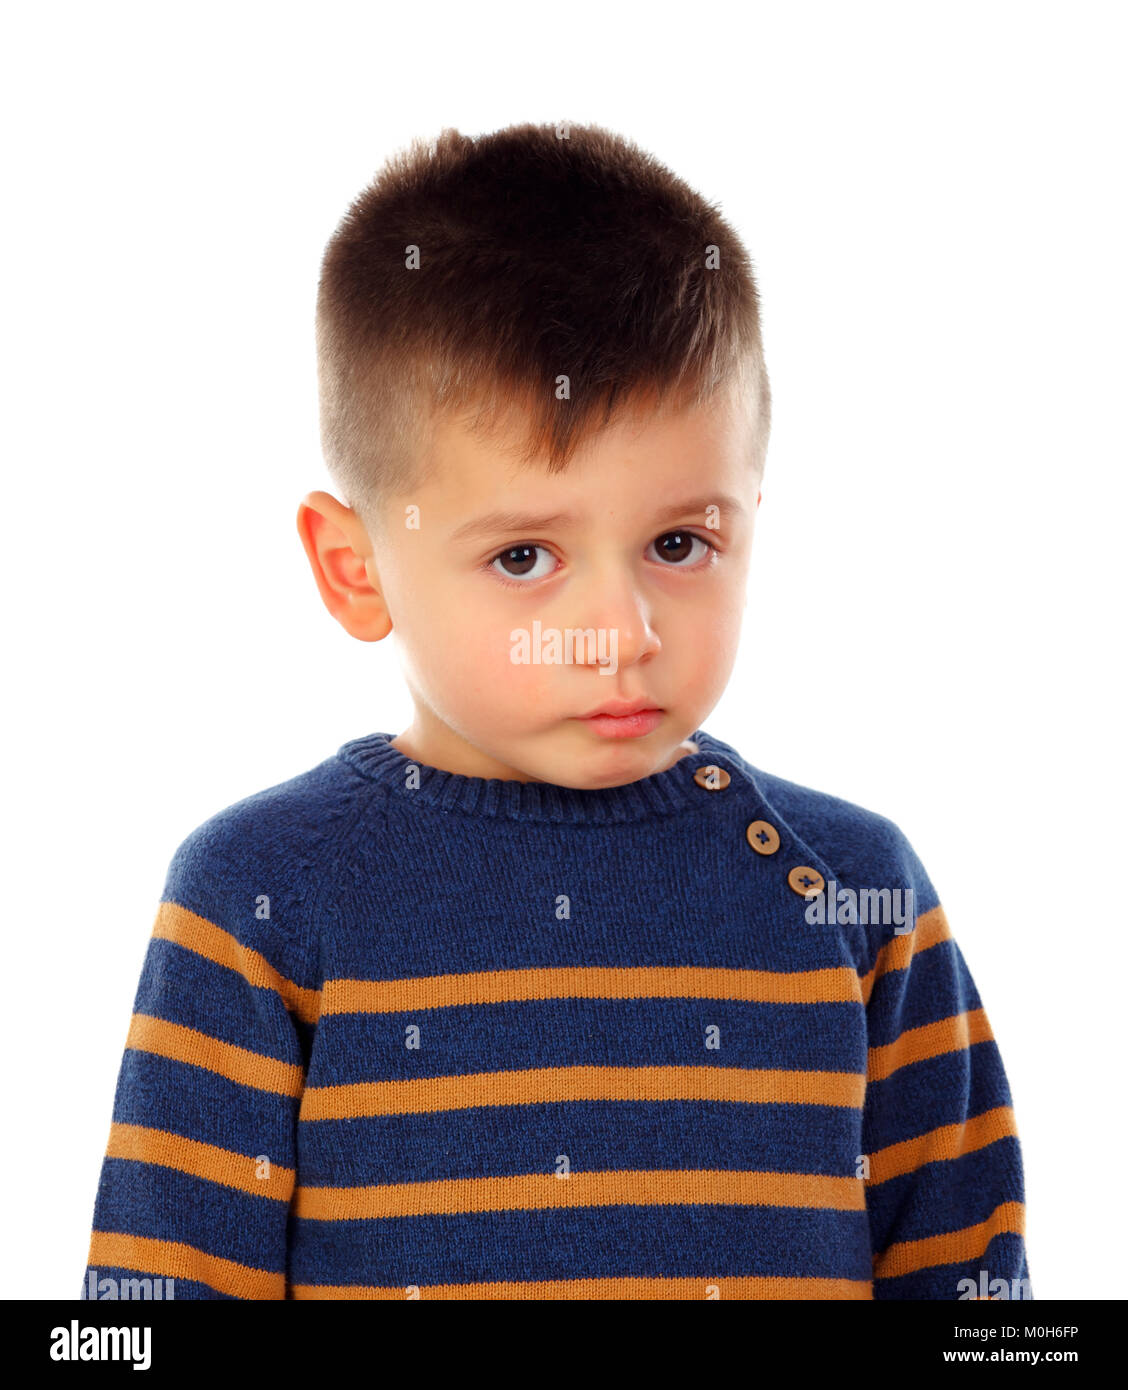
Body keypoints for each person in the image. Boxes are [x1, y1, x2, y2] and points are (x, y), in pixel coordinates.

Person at [82, 121, 1030, 1300]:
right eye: (526, 555)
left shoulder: (852, 890)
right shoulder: (258, 895)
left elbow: (976, 1294)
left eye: (680, 542)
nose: (623, 630)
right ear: (357, 568)